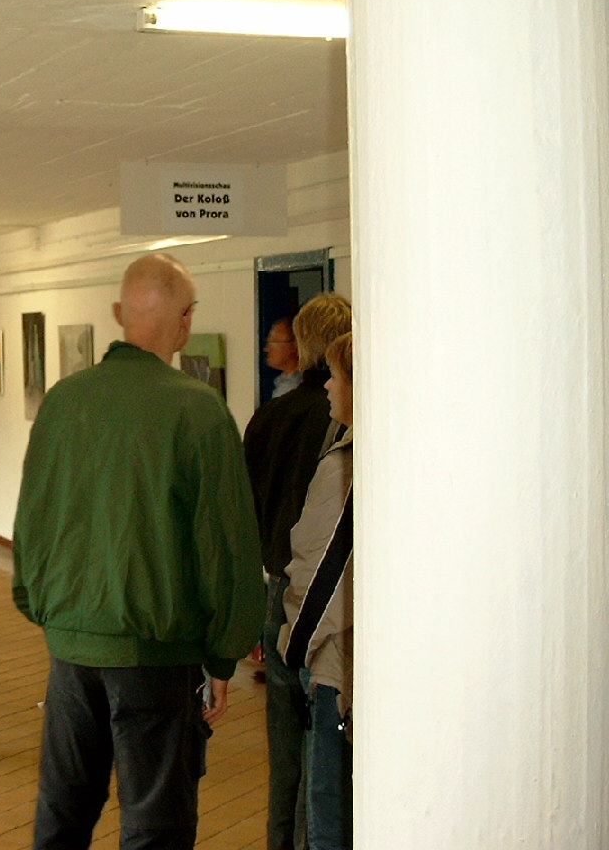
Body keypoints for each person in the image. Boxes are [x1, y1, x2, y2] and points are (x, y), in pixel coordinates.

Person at [12, 253, 266, 850]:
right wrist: (224, 654)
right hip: (158, 655)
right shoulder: (198, 411)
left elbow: (33, 520)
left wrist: (49, 611)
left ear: (118, 314)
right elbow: (226, 544)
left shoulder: (63, 403)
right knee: (156, 821)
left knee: (63, 811)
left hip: (71, 648)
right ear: (186, 319)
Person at [241, 294, 352, 850]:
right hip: (327, 602)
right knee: (325, 753)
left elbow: (246, 514)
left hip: (276, 593)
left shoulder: (267, 419)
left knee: (284, 753)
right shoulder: (343, 426)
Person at [280, 331, 355, 850]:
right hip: (364, 667)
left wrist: (293, 650)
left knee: (328, 823)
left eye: (338, 375)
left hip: (336, 669)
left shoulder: (347, 465)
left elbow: (319, 577)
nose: (327, 385)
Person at [266, 317, 302, 398]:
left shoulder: (302, 386)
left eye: (273, 342)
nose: (267, 349)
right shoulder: (281, 382)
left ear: (295, 345)